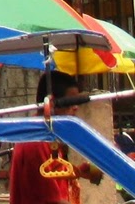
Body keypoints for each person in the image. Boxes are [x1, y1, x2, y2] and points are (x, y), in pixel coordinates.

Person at [8, 72, 104, 204]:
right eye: (71, 102)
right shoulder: (38, 141)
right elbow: (50, 200)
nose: (76, 107)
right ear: (52, 103)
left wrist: (79, 172)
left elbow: (54, 171)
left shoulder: (48, 136)